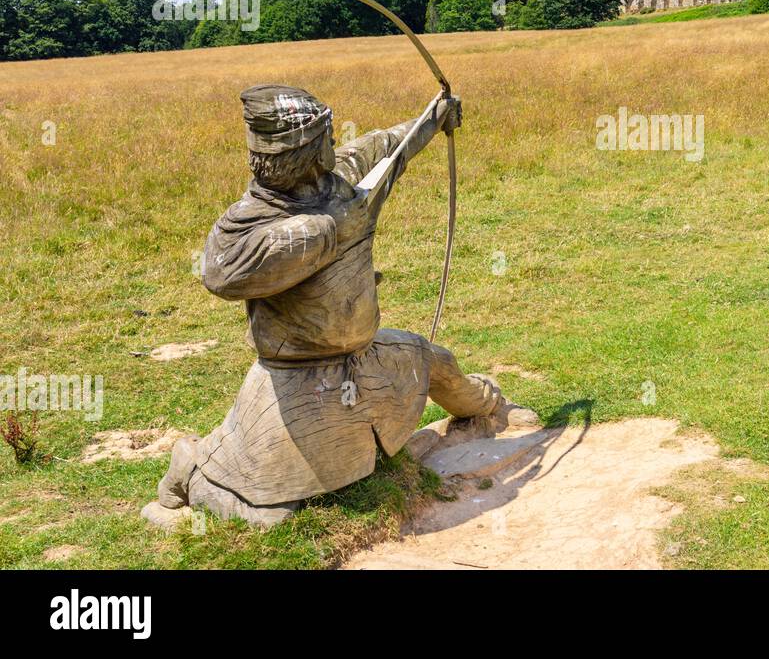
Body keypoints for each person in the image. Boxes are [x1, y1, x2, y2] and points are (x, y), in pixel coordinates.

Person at [150, 84, 534, 527]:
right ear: (311, 150)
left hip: (363, 358)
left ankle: (488, 407)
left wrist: (435, 117)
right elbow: (219, 271)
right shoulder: (253, 220)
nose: (335, 144)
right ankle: (191, 466)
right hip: (296, 380)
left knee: (434, 362)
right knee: (269, 517)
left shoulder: (341, 183)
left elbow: (392, 145)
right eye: (326, 138)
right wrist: (326, 231)